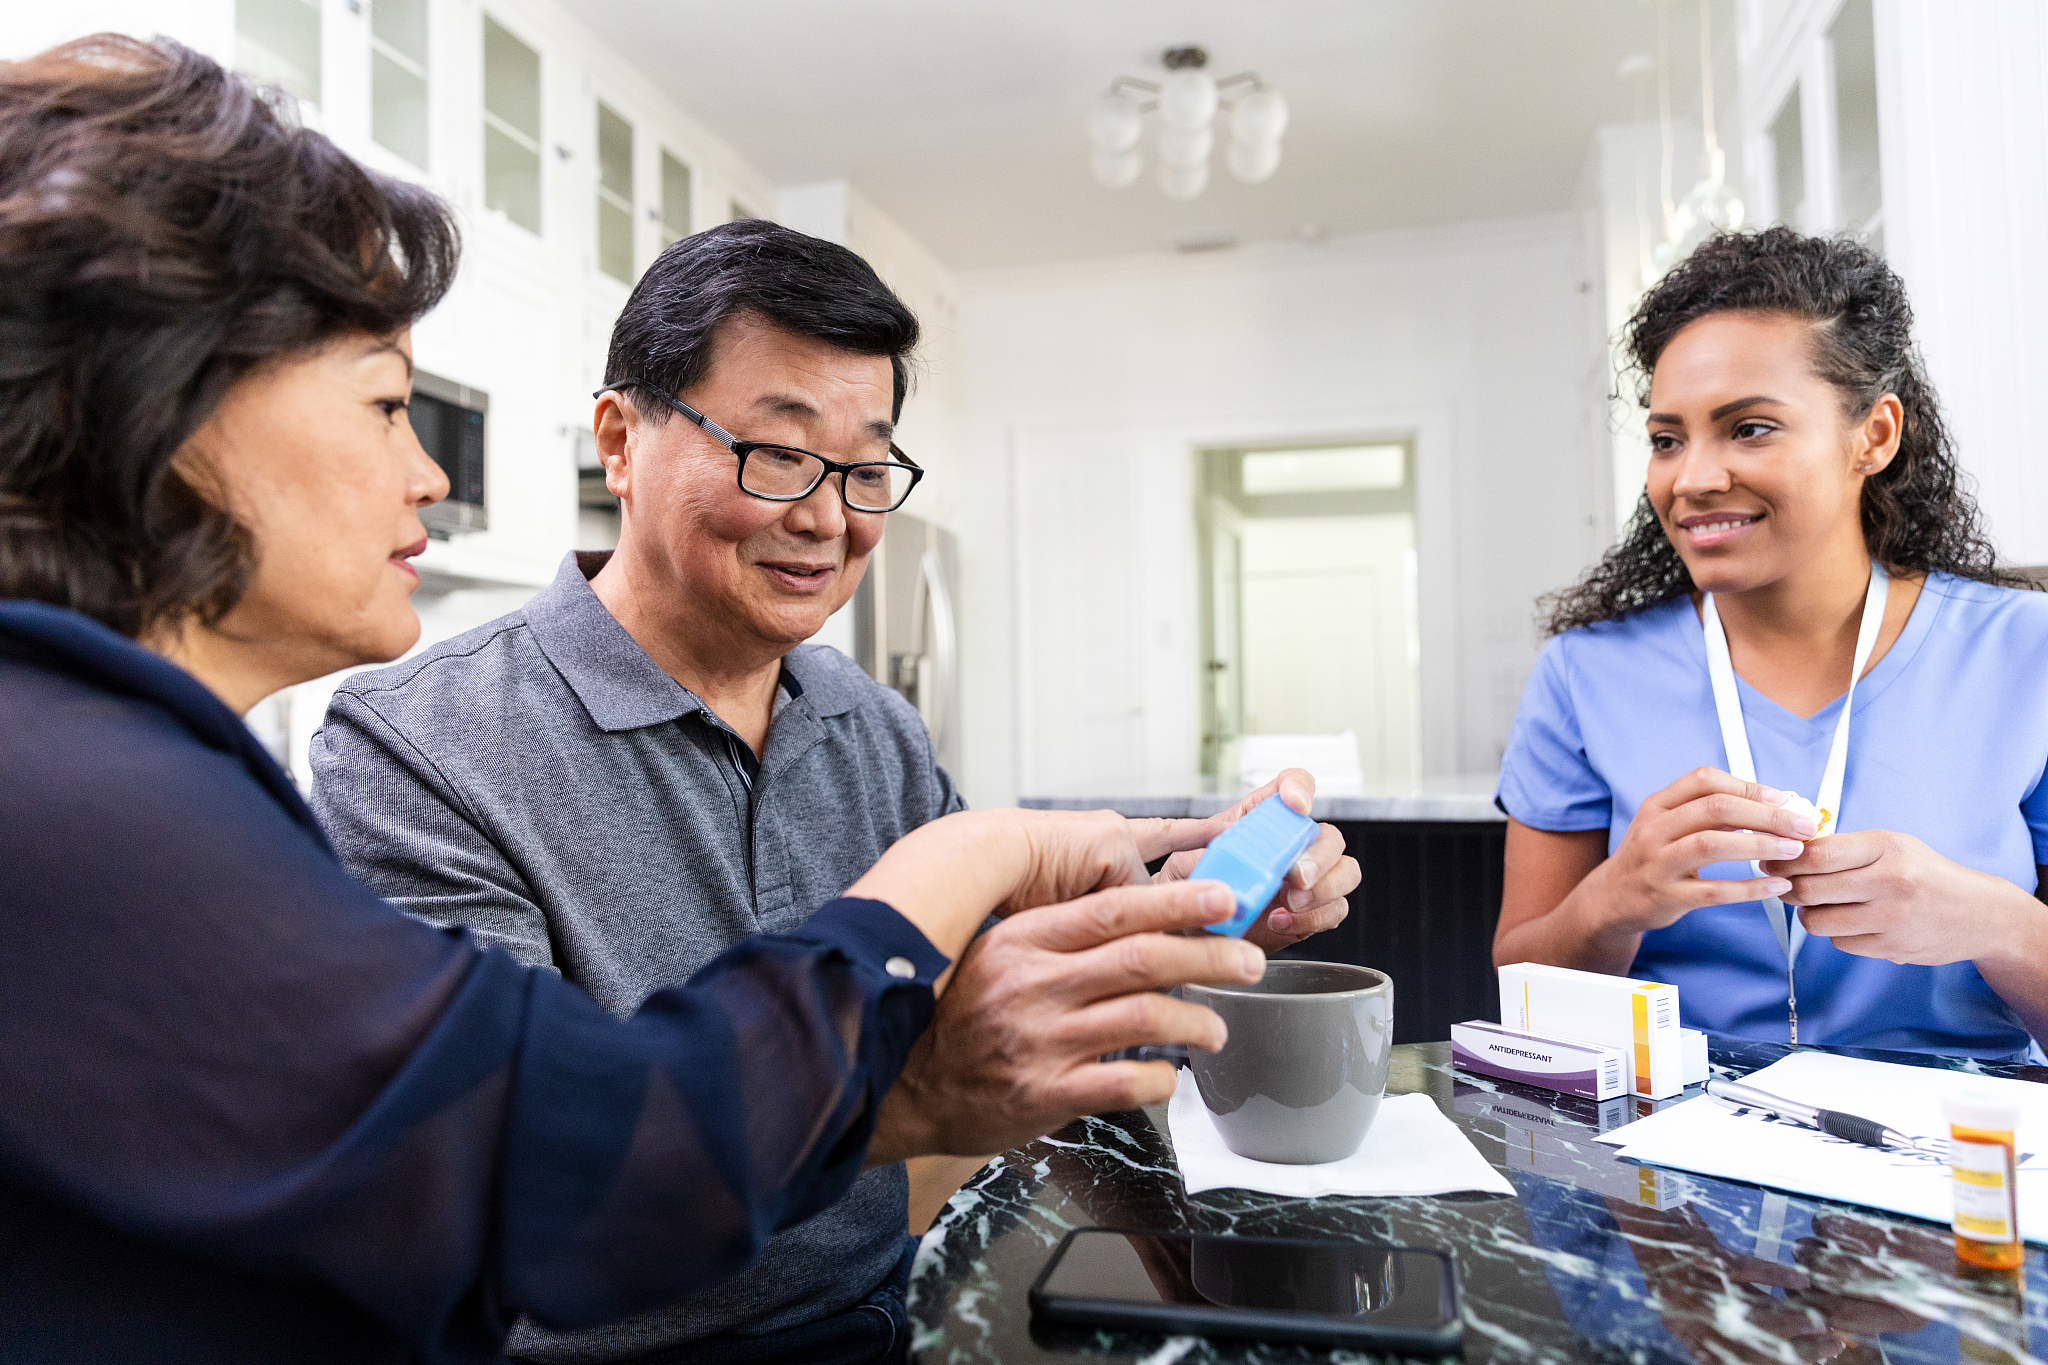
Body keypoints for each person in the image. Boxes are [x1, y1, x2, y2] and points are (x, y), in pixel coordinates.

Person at [0, 36, 1271, 1363]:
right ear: (171, 411)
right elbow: (573, 1169)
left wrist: (1196, 894)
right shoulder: (98, 786)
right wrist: (965, 866)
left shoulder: (119, 762)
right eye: (386, 403)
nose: (428, 474)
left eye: (866, 469)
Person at [309, 222, 1361, 1358]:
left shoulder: (873, 729)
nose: (827, 517)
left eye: (867, 468)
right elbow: (504, 1179)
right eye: (775, 452)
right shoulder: (418, 748)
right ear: (619, 439)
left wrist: (1175, 916)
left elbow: (1018, 1016)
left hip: (889, 1314)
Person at [1493, 227, 2048, 1059]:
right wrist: (1618, 897)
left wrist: (1995, 920)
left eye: (1749, 428)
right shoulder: (1585, 674)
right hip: (1673, 1153)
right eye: (1667, 438)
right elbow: (1518, 1006)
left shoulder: (2025, 653)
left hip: (1958, 1154)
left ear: (1876, 434)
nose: (1693, 477)